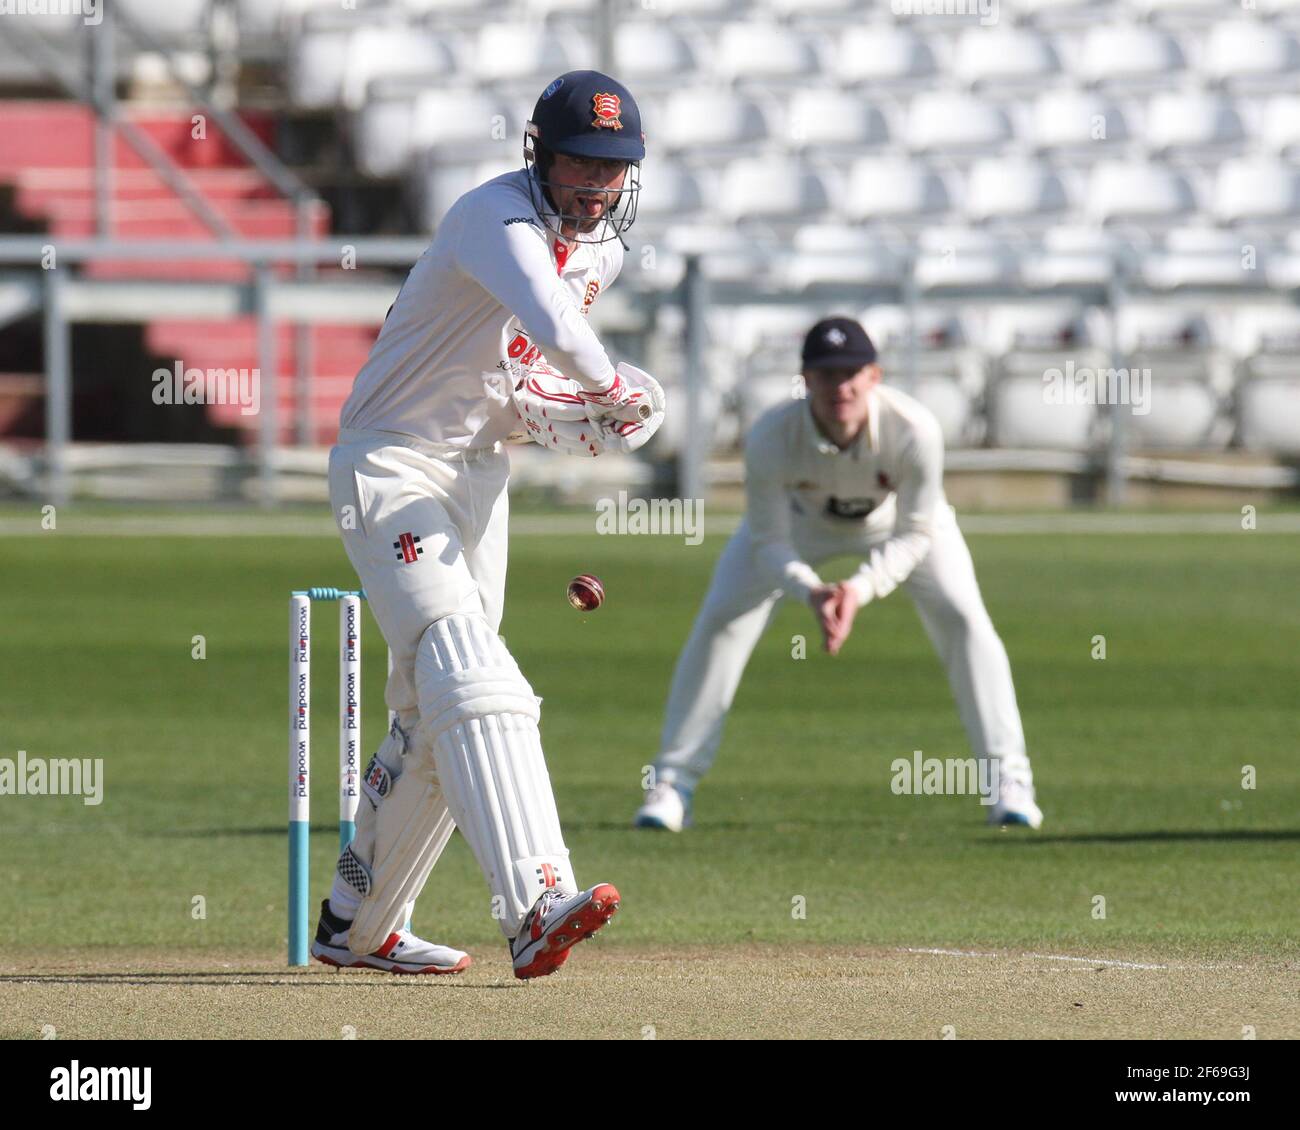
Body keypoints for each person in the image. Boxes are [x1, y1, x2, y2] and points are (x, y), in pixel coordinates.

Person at [312, 71, 661, 978]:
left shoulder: (602, 255)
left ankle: (358, 925)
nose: (598, 184)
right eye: (582, 160)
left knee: (435, 708)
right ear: (539, 154)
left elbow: (512, 376)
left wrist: (562, 416)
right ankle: (538, 902)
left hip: (478, 477)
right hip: (390, 460)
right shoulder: (490, 219)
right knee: (470, 664)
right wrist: (612, 388)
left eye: (614, 167)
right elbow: (546, 321)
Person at [635, 316, 1042, 833]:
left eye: (852, 374)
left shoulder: (915, 430)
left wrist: (858, 589)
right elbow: (767, 541)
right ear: (806, 380)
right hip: (799, 530)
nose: (840, 387)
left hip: (898, 524)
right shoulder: (769, 437)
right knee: (721, 621)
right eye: (826, 375)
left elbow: (917, 532)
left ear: (875, 376)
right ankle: (673, 785)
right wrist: (810, 590)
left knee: (964, 618)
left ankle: (1010, 783)